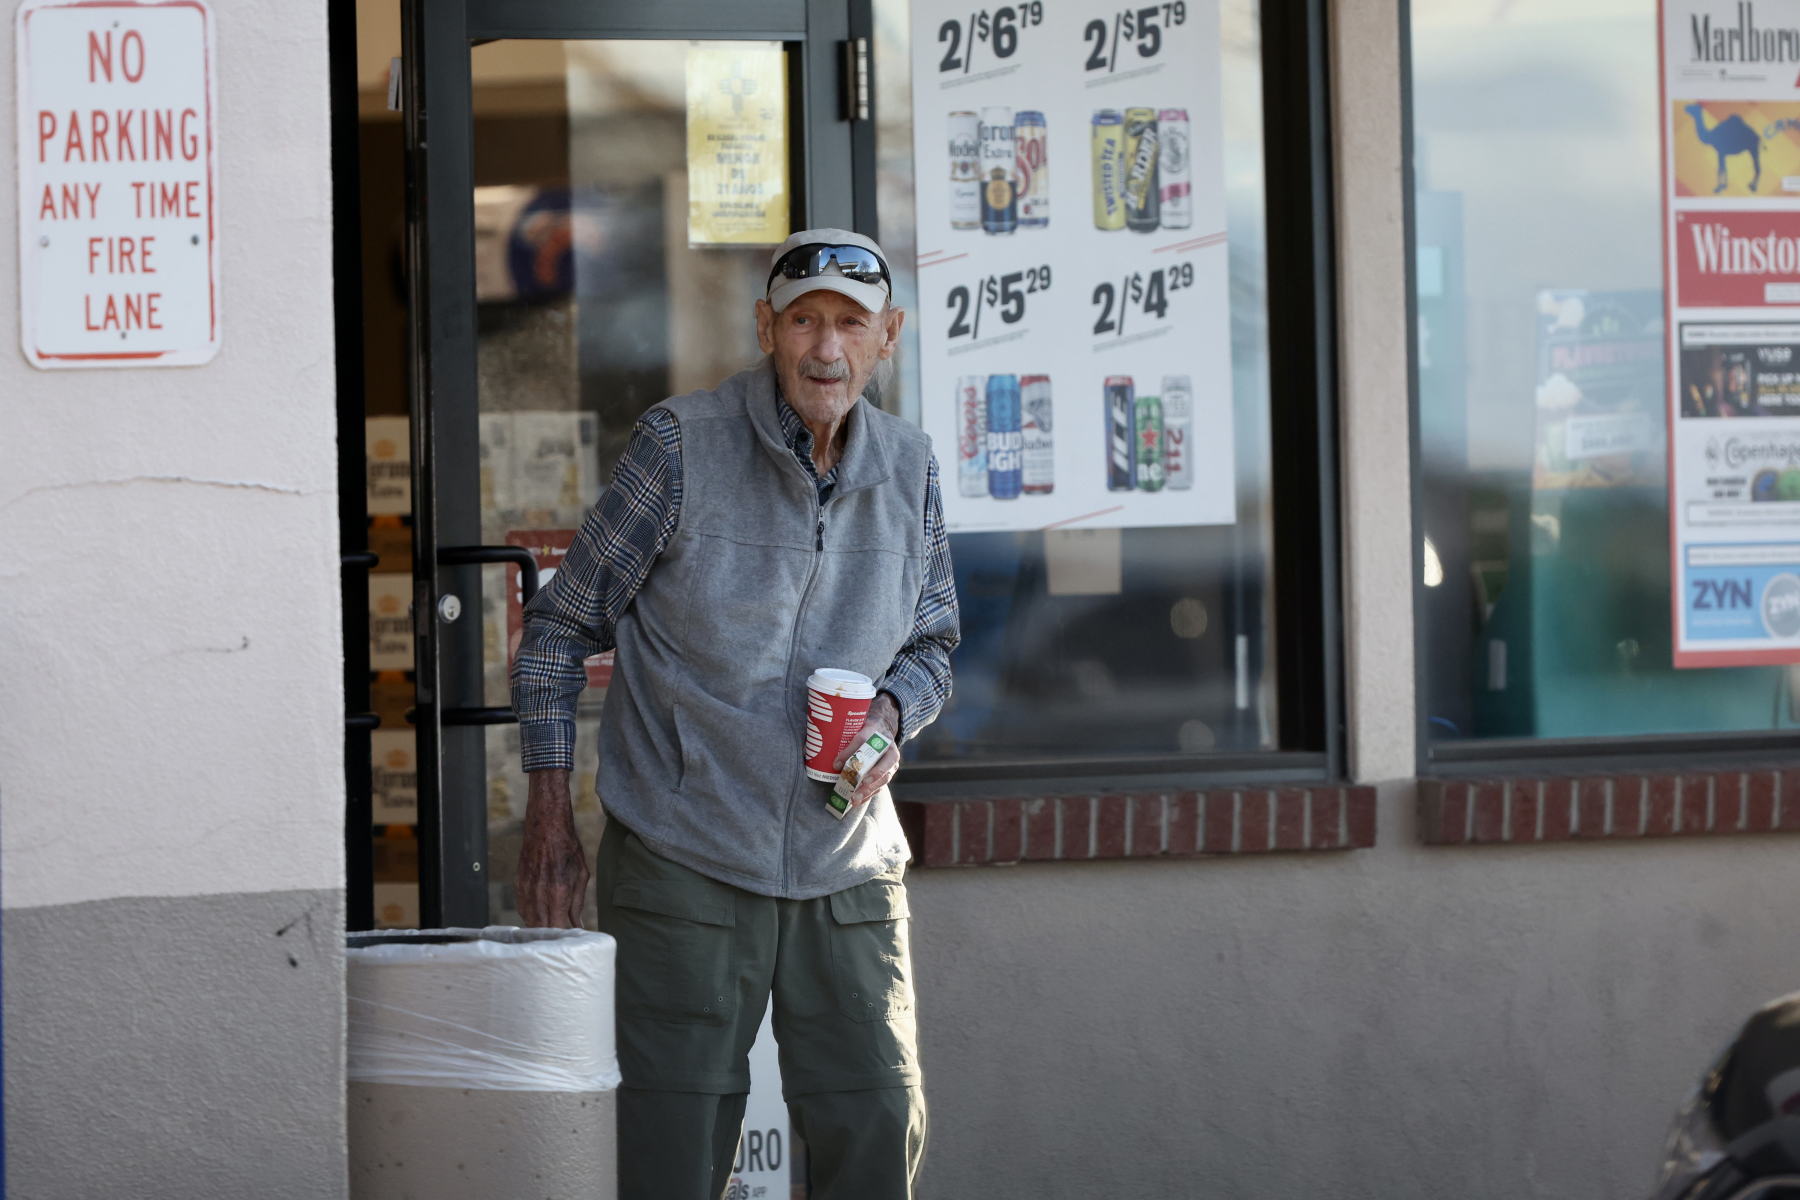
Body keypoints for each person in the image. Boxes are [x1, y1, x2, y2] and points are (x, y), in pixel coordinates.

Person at [510, 228, 959, 1200]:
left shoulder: (912, 469)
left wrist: (888, 716)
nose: (826, 349)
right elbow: (556, 632)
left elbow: (933, 647)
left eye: (851, 323)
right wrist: (549, 815)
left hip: (847, 865)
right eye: (804, 321)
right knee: (672, 1157)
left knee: (877, 1131)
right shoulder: (680, 447)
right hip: (685, 858)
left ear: (890, 337)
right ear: (767, 327)